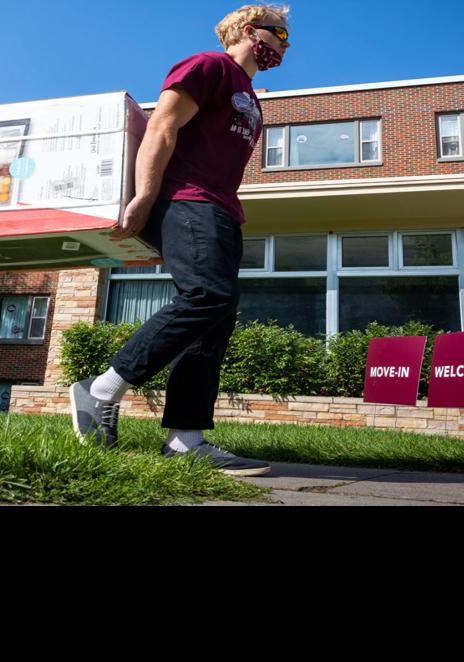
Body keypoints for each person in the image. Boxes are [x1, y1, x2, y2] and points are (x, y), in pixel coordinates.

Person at [70, 5, 292, 476]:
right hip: (186, 199)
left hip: (223, 210)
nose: (285, 46)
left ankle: (186, 440)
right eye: (280, 34)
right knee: (208, 295)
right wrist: (144, 196)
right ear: (250, 31)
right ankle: (101, 390)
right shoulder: (209, 66)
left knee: (214, 320)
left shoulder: (250, 96)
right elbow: (163, 125)